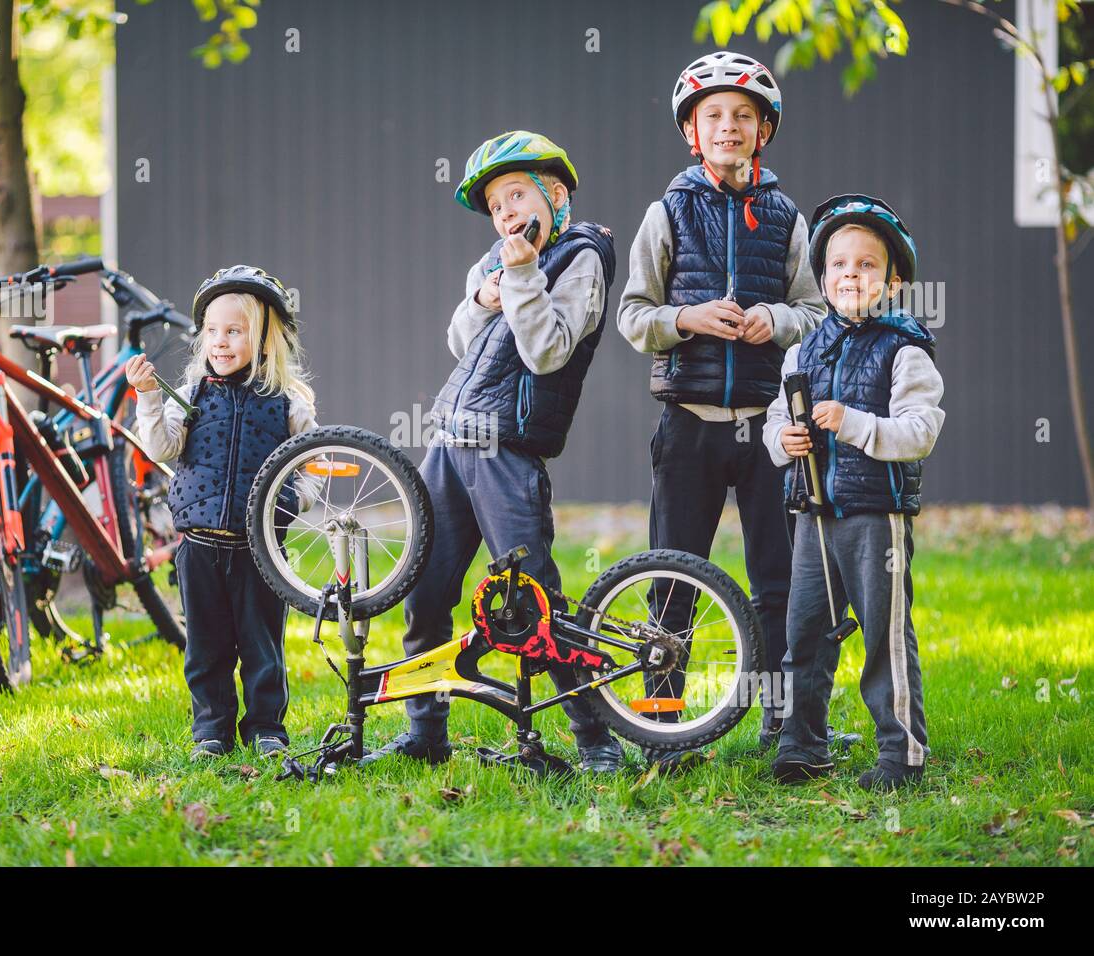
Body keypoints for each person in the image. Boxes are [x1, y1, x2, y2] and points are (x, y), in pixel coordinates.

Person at [359, 130, 624, 773]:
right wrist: (484, 294)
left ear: (554, 195)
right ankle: (426, 732)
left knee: (533, 597)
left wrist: (522, 276)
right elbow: (459, 339)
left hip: (507, 449)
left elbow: (548, 349)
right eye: (495, 206)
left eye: (516, 195)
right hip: (451, 441)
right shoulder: (494, 262)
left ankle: (595, 740)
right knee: (425, 587)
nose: (505, 214)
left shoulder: (583, 253)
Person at [616, 51, 828, 770]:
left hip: (771, 429)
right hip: (689, 429)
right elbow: (633, 316)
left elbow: (816, 308)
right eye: (714, 117)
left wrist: (775, 317)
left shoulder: (787, 217)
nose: (729, 127)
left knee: (777, 581)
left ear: (763, 130)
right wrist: (690, 319)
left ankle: (780, 723)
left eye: (743, 116)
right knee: (673, 581)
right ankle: (665, 730)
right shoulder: (667, 211)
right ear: (691, 132)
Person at [763, 195, 944, 791]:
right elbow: (774, 418)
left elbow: (919, 432)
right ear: (823, 276)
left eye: (867, 265)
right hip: (813, 513)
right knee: (804, 633)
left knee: (884, 635)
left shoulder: (905, 349)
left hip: (875, 517)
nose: (850, 275)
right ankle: (801, 743)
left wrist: (854, 424)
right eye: (839, 264)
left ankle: (900, 755)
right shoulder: (803, 349)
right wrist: (781, 439)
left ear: (893, 282)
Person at [127, 266, 318, 761]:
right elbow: (159, 448)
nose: (220, 341)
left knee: (262, 648)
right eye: (212, 331)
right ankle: (211, 729)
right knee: (207, 649)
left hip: (260, 551)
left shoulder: (288, 404)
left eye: (234, 331)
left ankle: (265, 729)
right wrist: (149, 397)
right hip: (199, 548)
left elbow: (314, 465)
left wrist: (296, 499)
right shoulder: (191, 395)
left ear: (263, 337)